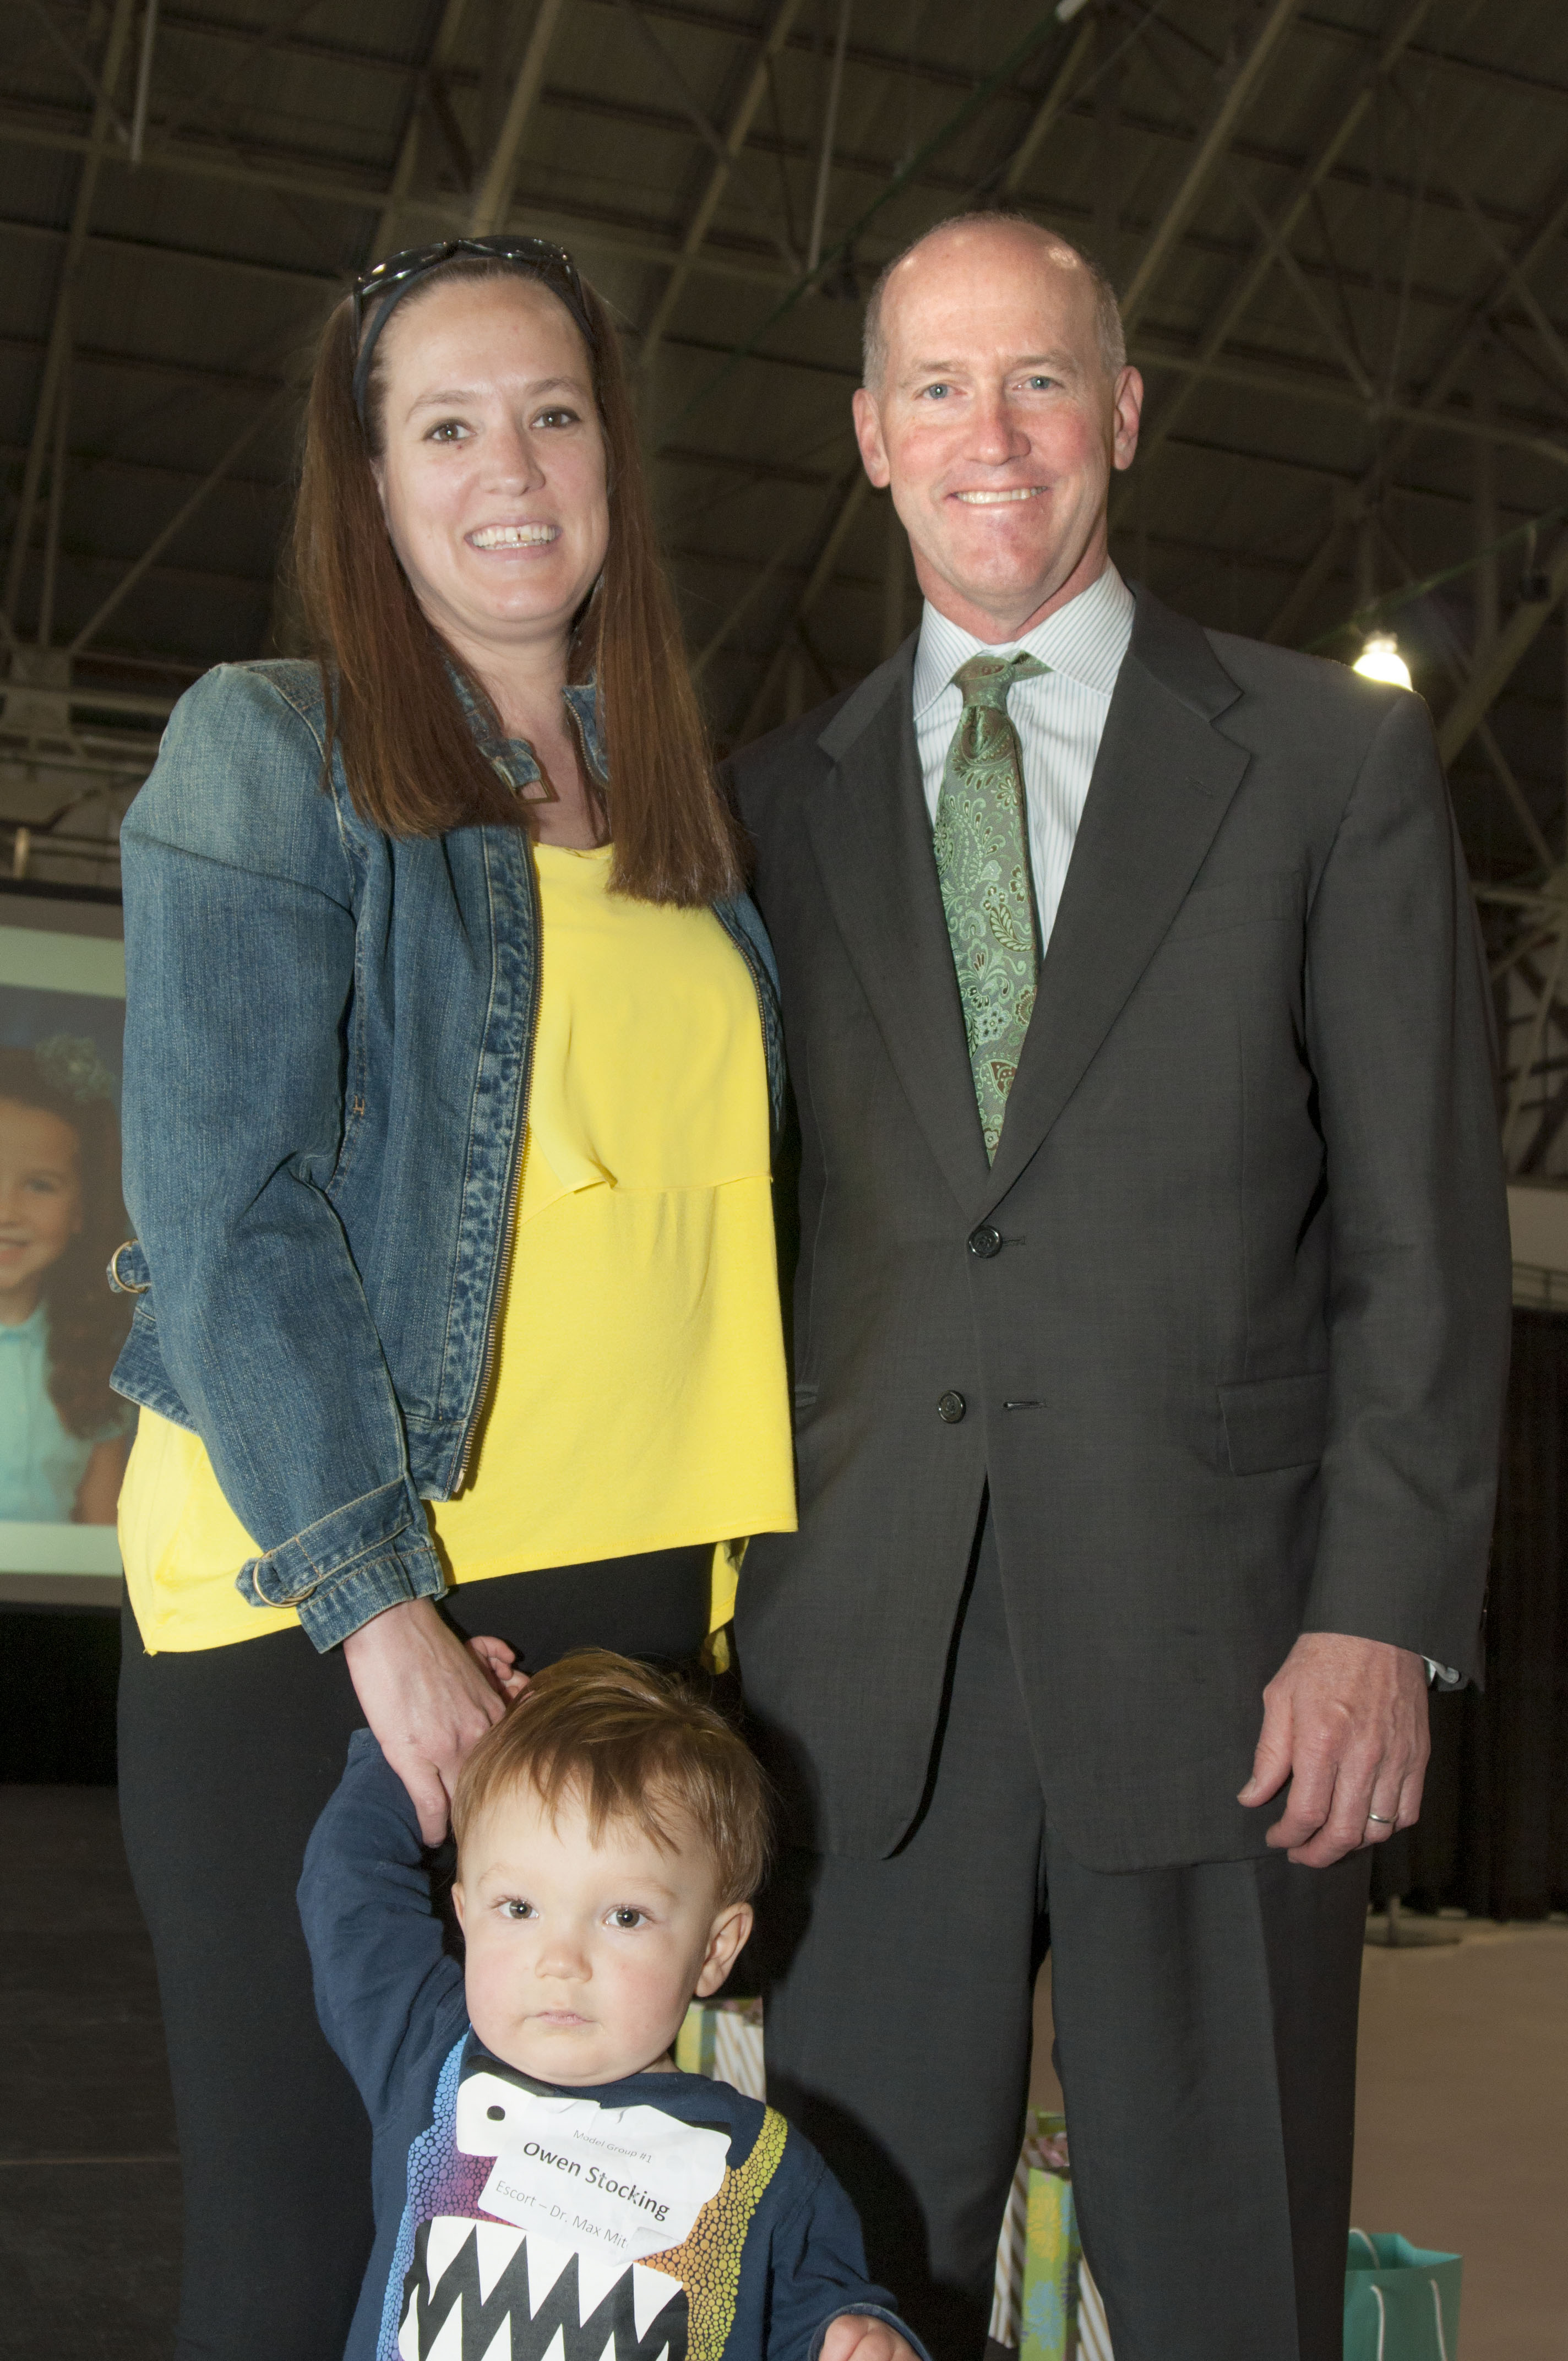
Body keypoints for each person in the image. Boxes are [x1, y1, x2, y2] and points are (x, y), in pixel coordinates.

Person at [730, 213, 1510, 2361]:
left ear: (1125, 414)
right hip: (858, 1681)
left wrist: (1377, 1616)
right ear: (872, 435)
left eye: (1041, 379)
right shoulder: (763, 807)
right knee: (850, 2300)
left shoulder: (1321, 766)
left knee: (1228, 2280)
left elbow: (1420, 1237)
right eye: (942, 388)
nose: (996, 434)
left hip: (1238, 1661)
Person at [112, 235, 795, 2361]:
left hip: (633, 1603)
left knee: (584, 2248)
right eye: (445, 422)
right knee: (316, 2228)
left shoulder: (687, 806)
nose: (511, 464)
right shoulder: (270, 745)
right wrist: (379, 1614)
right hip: (345, 1601)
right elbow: (227, 1209)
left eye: (555, 413)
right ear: (371, 480)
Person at [301, 1650, 929, 2361]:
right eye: (520, 1907)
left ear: (716, 1948)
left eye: (624, 1917)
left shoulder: (759, 2175)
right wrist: (420, 1754)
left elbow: (823, 2314)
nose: (561, 1961)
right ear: (466, 1914)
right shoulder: (428, 2059)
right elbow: (348, 1892)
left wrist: (855, 2340)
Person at [0, 1038, 131, 1524]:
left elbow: (102, 1532)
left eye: (39, 1185)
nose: (6, 1213)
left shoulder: (94, 1357)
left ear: (81, 1208)